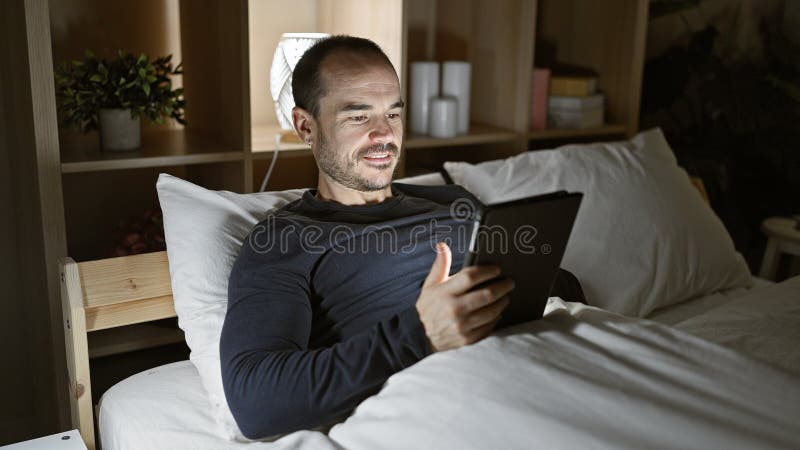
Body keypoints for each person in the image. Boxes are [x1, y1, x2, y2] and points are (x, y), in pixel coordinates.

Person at [220, 35, 585, 440]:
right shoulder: (285, 241)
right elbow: (254, 402)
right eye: (358, 117)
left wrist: (535, 285)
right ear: (306, 126)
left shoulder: (454, 202)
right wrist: (421, 332)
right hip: (461, 403)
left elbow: (565, 289)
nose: (384, 135)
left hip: (555, 364)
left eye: (392, 115)